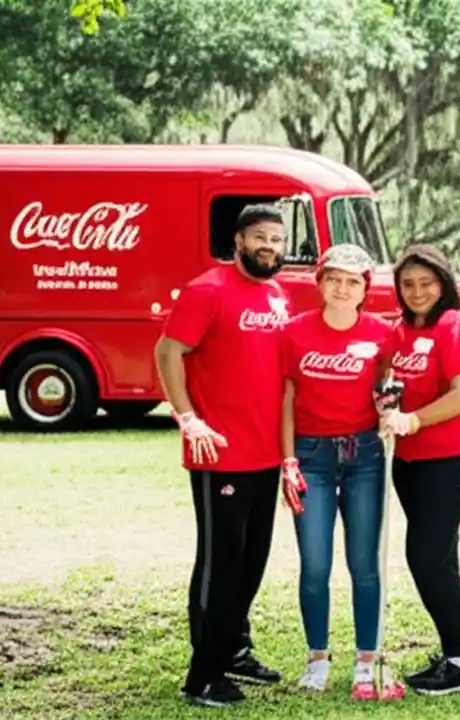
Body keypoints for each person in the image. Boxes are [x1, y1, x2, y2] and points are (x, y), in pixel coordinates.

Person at [155, 204, 290, 707]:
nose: (269, 246)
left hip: (266, 452)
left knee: (253, 559)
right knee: (221, 561)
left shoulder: (277, 294)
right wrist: (188, 417)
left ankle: (233, 646)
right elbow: (168, 352)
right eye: (259, 237)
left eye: (276, 239)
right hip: (220, 452)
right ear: (238, 241)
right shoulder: (207, 289)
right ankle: (203, 674)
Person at [278, 245, 399, 699]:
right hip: (312, 457)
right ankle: (317, 657)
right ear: (320, 283)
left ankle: (366, 661)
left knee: (365, 564)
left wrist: (391, 409)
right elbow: (286, 398)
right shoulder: (293, 333)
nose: (342, 289)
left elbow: (388, 389)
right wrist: (287, 458)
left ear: (365, 288)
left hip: (366, 456)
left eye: (352, 281)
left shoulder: (382, 334)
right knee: (315, 563)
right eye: (334, 279)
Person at [381, 243, 460, 695]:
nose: (417, 292)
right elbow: (389, 380)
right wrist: (385, 403)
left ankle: (459, 665)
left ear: (443, 284)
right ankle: (451, 654)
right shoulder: (399, 330)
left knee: (426, 557)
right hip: (410, 459)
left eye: (426, 283)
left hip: (452, 458)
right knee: (442, 556)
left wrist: (415, 419)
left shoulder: (452, 325)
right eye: (408, 284)